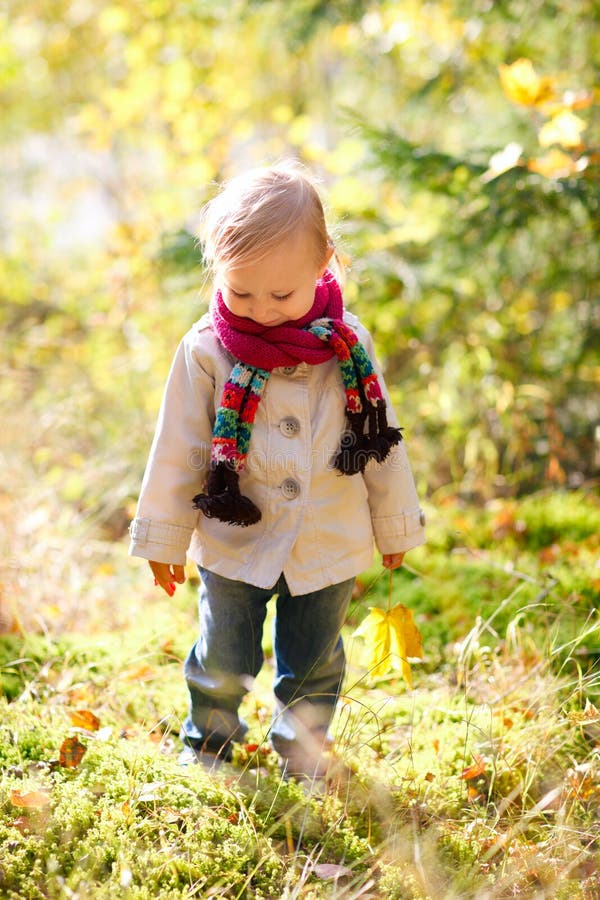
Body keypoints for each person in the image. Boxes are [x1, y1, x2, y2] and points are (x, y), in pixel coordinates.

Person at [129, 160, 426, 779]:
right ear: (217, 270)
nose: (261, 310)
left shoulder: (349, 346)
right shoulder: (207, 349)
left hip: (328, 535)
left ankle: (303, 752)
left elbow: (380, 442)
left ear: (323, 266)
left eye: (281, 294)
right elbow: (178, 448)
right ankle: (208, 745)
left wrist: (394, 527)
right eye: (241, 291)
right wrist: (165, 538)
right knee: (222, 650)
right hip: (236, 538)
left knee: (316, 659)